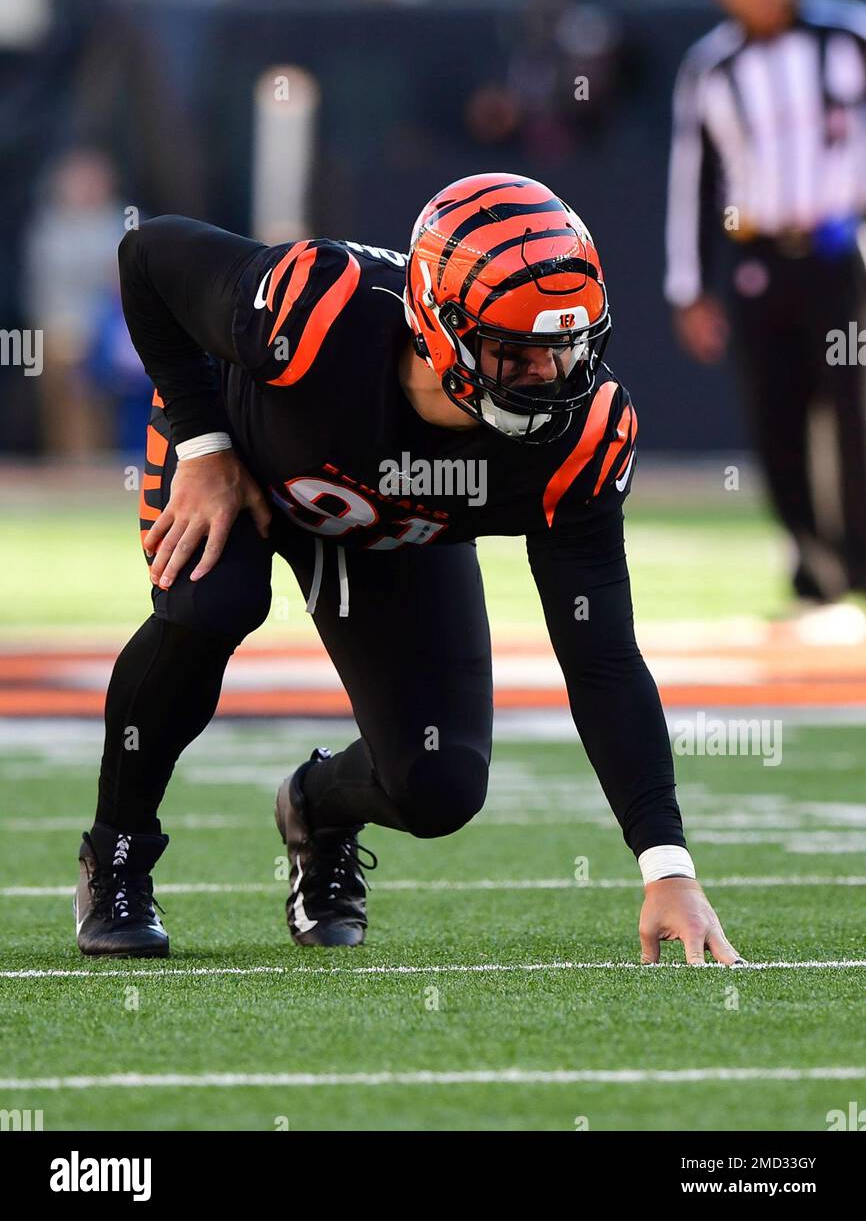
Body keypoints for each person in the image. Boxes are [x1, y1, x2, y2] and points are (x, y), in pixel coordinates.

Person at [74, 172, 741, 967]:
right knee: (214, 602)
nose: (546, 377)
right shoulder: (317, 307)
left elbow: (601, 656)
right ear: (436, 326)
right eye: (516, 352)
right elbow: (147, 257)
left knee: (439, 785)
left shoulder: (577, 437)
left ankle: (317, 810)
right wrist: (203, 443)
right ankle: (117, 858)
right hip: (243, 462)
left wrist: (667, 867)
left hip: (391, 525)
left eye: (564, 348)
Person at [665, 0, 866, 618]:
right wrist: (689, 287)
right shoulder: (711, 67)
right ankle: (812, 558)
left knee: (854, 410)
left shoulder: (848, 38)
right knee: (775, 415)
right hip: (760, 261)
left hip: (843, 255)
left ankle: (858, 558)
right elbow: (693, 178)